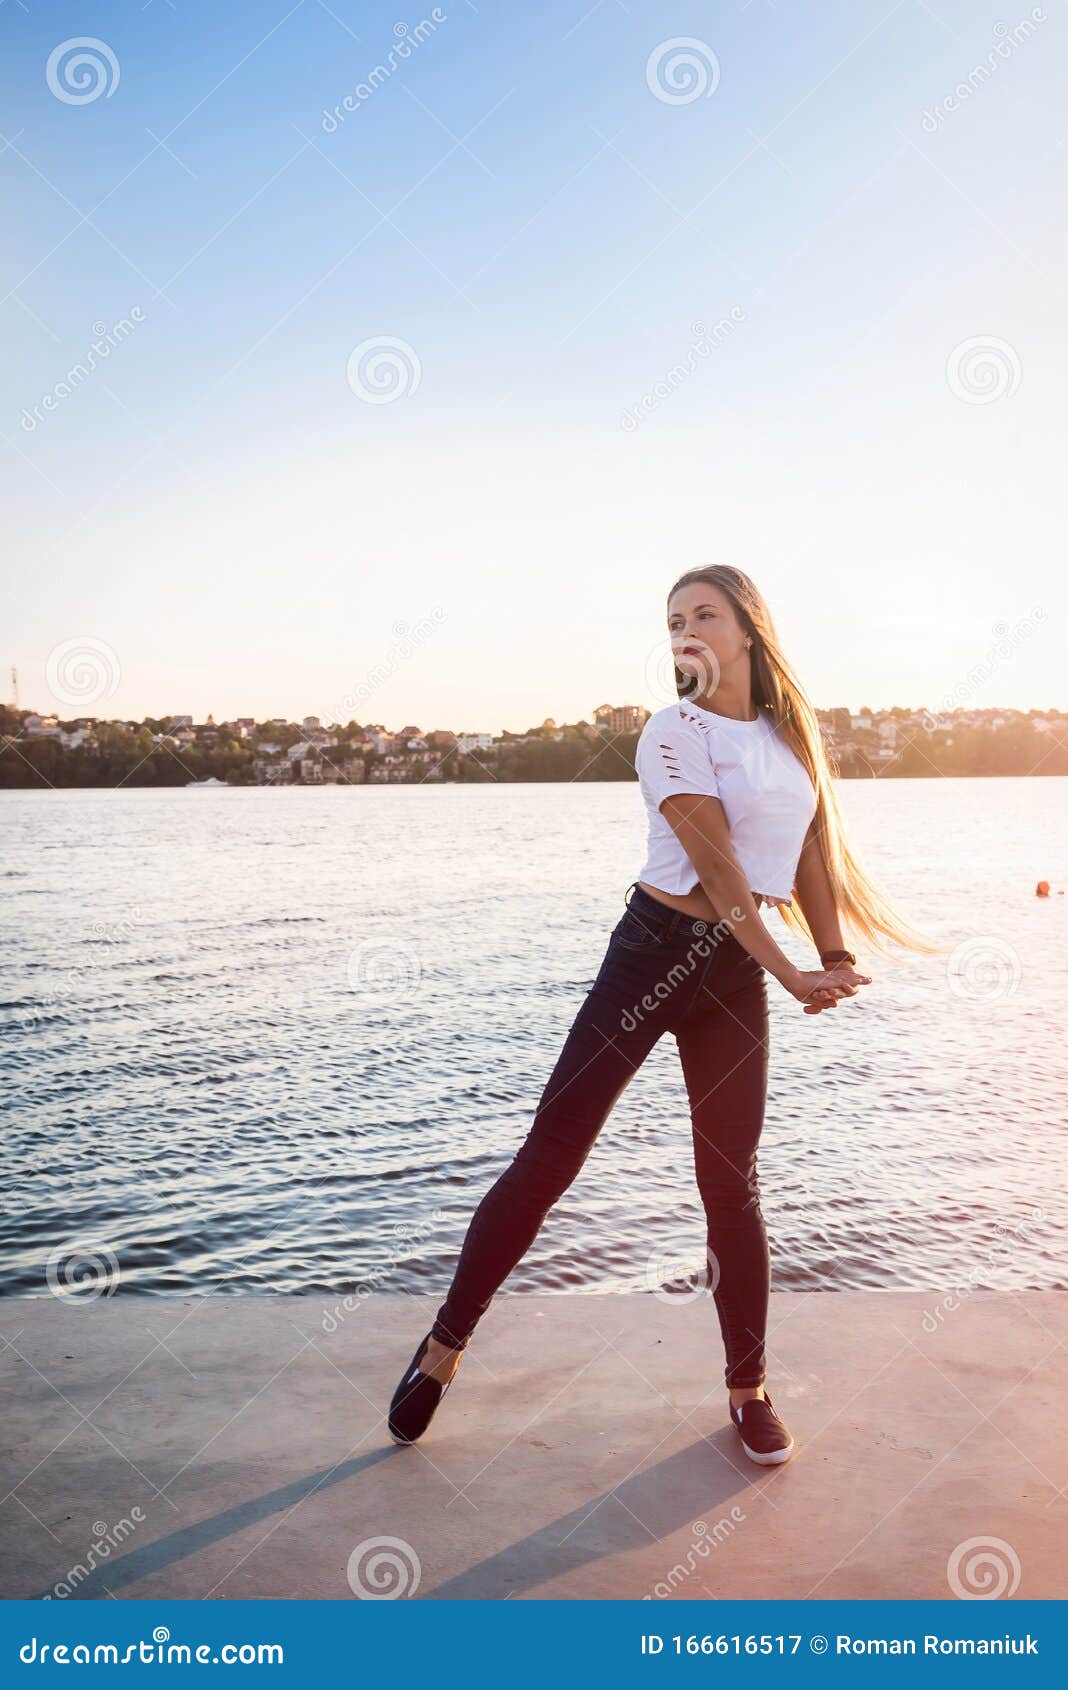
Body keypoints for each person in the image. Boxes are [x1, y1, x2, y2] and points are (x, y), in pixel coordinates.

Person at [388, 565, 939, 1463]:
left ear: (748, 631)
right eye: (673, 618)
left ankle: (749, 1391)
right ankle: (443, 1348)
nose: (684, 629)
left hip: (732, 977)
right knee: (551, 1157)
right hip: (652, 953)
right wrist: (795, 975)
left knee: (732, 1184)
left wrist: (833, 954)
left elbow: (807, 853)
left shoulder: (789, 739)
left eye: (703, 614)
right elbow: (719, 872)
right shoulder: (669, 731)